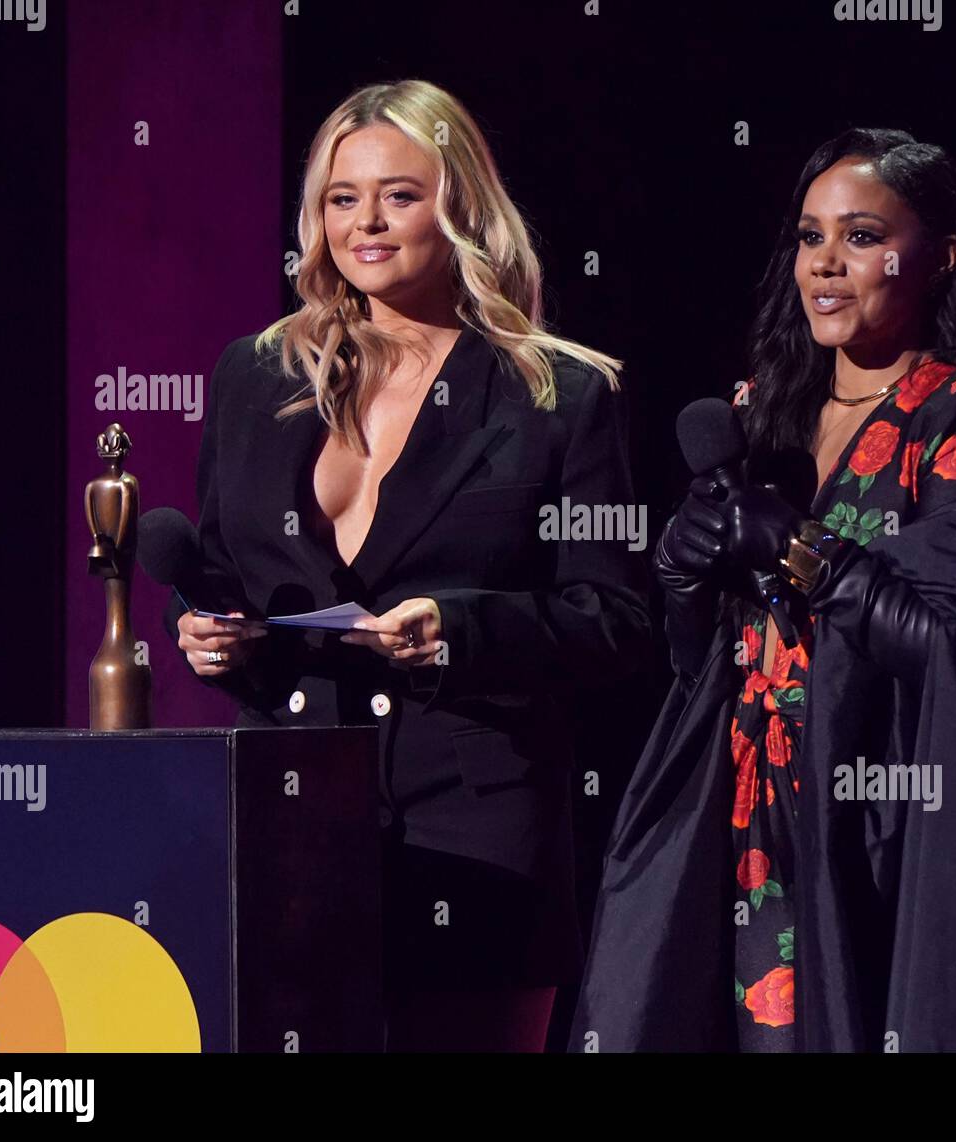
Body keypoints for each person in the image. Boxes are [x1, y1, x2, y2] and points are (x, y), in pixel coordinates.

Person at [163, 79, 650, 1052]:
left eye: (400, 193)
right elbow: (227, 578)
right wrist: (213, 643)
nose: (366, 223)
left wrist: (457, 632)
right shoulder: (253, 375)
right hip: (290, 815)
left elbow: (617, 621)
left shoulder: (558, 393)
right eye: (343, 198)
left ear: (461, 207)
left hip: (475, 826)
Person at [572, 128, 956, 1052]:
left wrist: (813, 556)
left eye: (860, 237)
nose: (827, 266)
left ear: (940, 258)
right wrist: (684, 581)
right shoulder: (763, 411)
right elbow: (705, 666)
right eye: (811, 238)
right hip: (743, 818)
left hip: (873, 818)